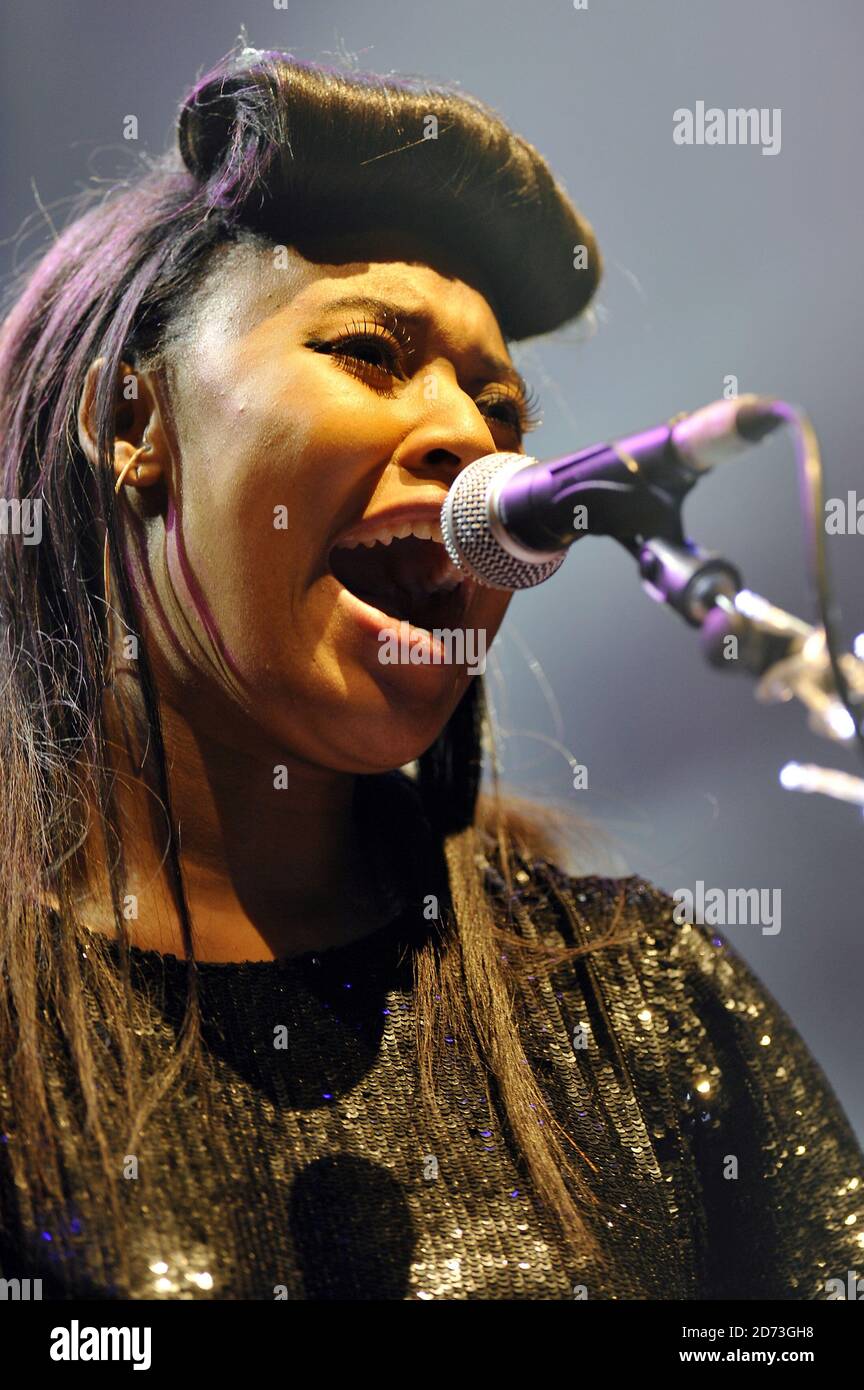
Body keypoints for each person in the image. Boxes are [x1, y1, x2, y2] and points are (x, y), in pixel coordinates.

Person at [0, 45, 860, 1302]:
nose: (471, 443)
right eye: (371, 353)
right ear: (135, 429)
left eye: (503, 412)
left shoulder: (638, 1001)